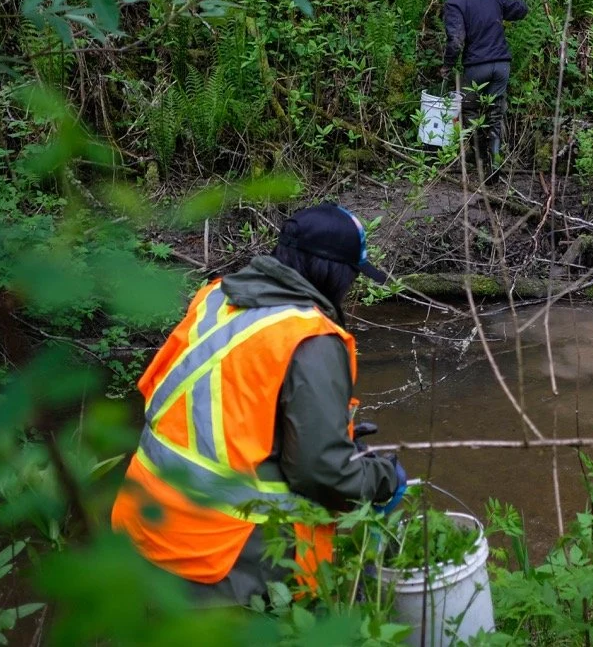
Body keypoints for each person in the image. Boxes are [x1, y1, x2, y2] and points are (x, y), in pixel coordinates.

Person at [111, 202, 406, 605]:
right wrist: (383, 478)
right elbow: (322, 473)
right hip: (218, 557)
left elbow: (223, 408)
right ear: (337, 274)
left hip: (144, 524)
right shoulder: (311, 338)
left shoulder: (216, 297)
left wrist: (336, 436)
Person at [440, 0, 529, 172]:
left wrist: (447, 65)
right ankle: (495, 164)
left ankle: (480, 157)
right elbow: (520, 10)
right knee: (496, 114)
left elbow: (456, 40)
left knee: (469, 109)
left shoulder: (455, 3)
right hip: (502, 65)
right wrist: (520, 0)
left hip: (476, 67)